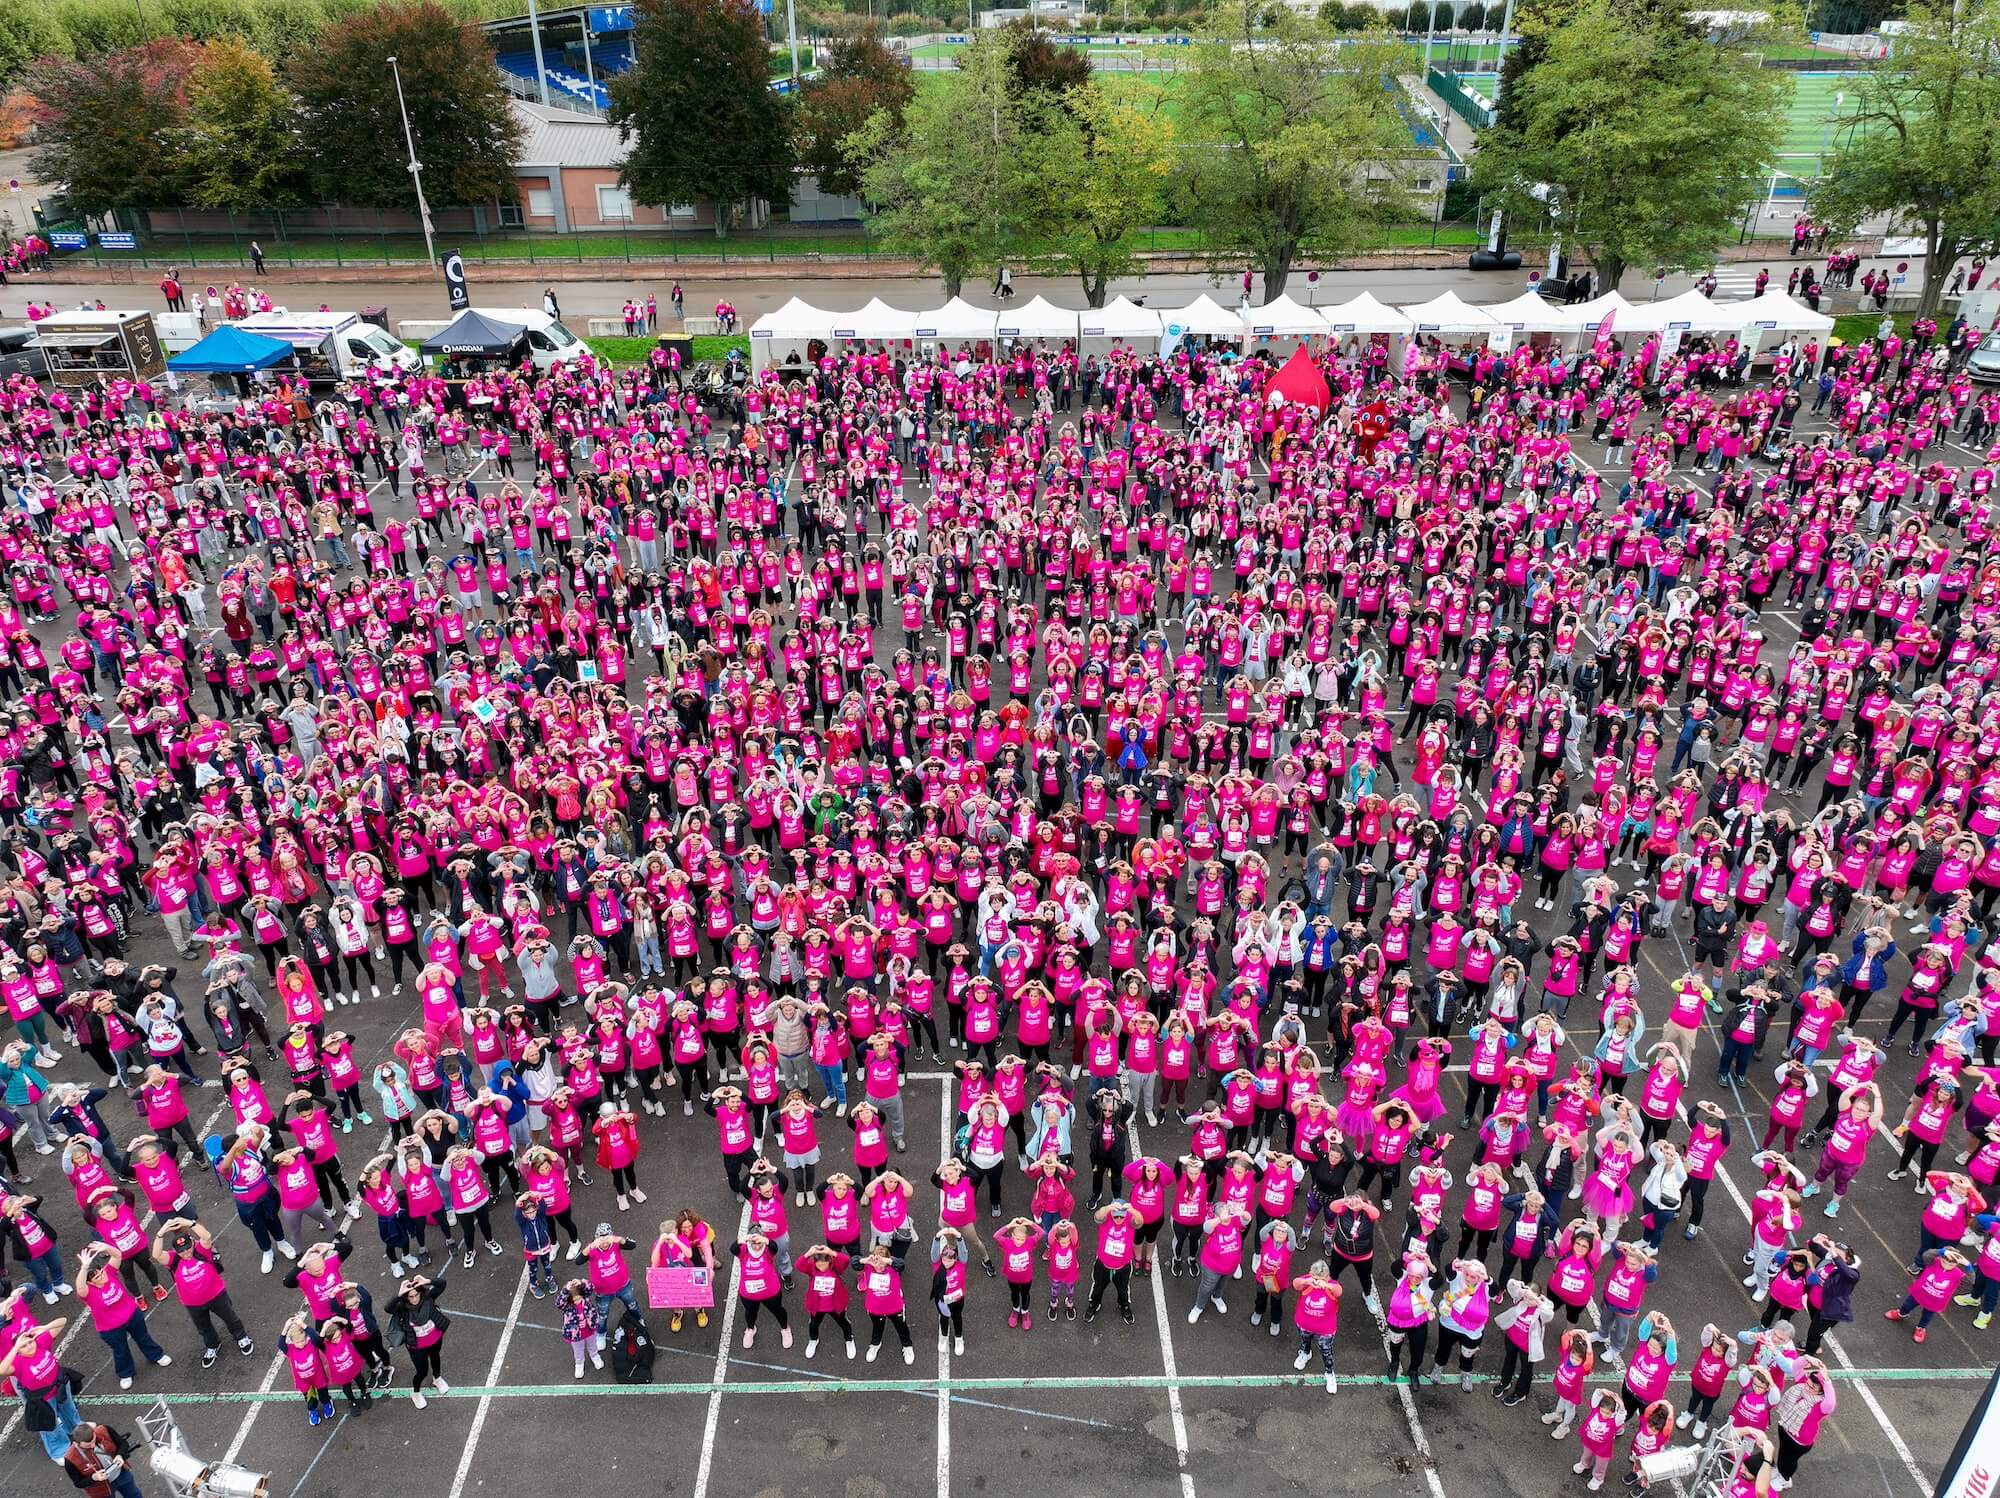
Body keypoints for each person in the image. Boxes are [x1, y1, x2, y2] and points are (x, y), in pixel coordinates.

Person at [64, 1422, 145, 1498]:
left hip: (122, 1474)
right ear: (76, 1443)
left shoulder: (104, 1430)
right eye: (87, 1446)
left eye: (94, 1440)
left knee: (134, 1495)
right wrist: (94, 1477)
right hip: (100, 1490)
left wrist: (119, 1455)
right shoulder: (70, 1459)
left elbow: (123, 1444)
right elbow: (78, 1483)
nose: (92, 1446)